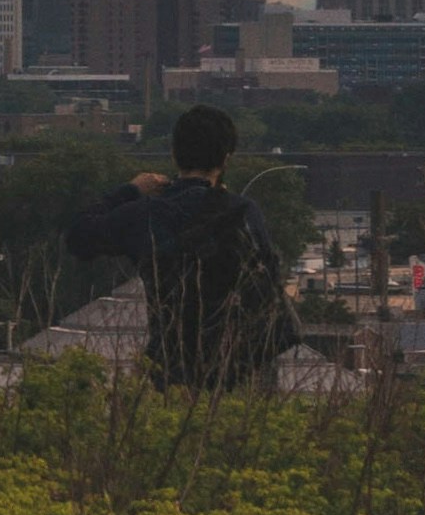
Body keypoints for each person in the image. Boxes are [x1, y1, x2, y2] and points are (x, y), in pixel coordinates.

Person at [63, 104, 295, 388]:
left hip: (169, 367)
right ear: (226, 158)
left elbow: (78, 236)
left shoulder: (146, 215)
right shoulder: (243, 213)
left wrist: (131, 190)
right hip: (232, 369)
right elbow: (267, 282)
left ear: (174, 155)